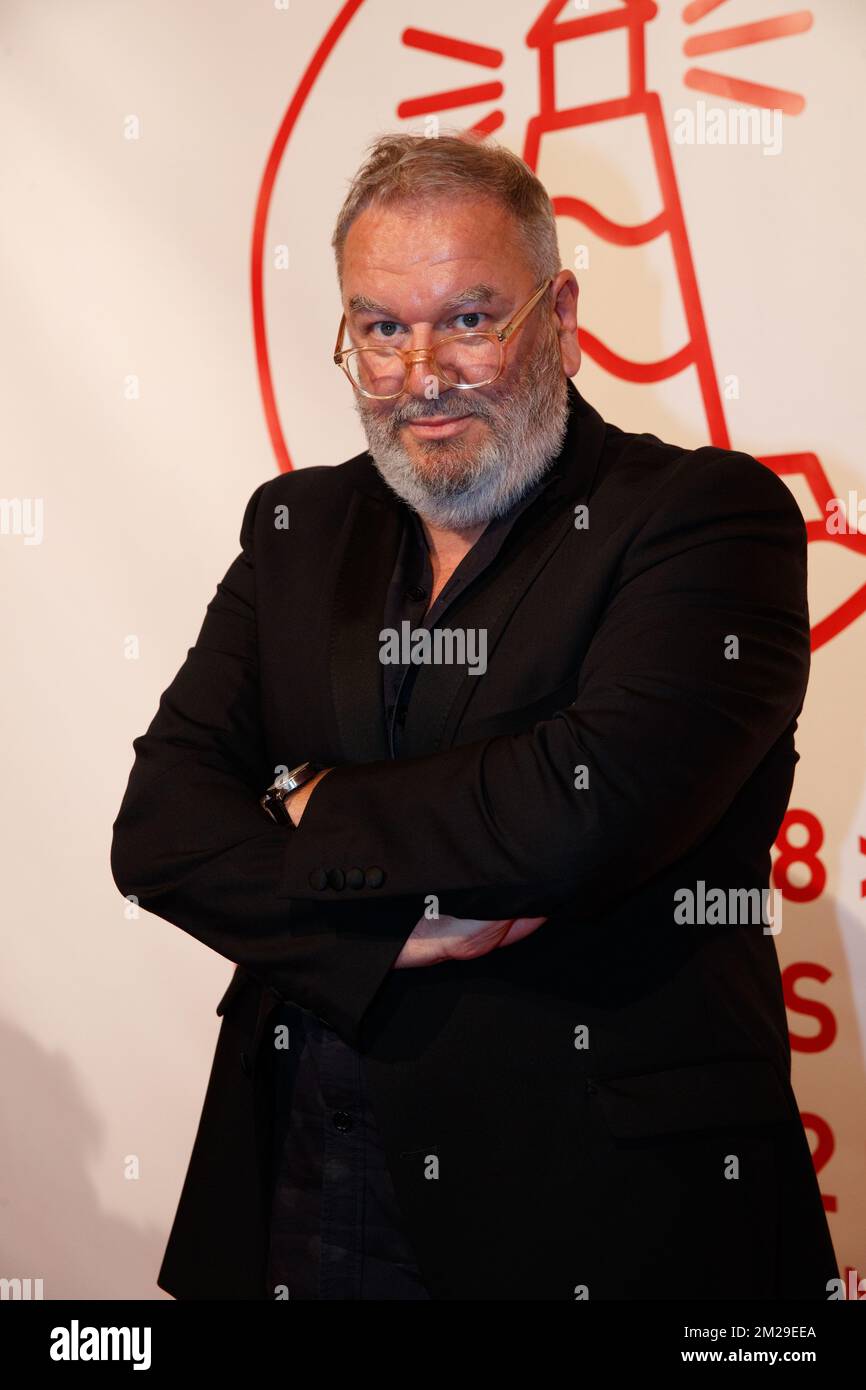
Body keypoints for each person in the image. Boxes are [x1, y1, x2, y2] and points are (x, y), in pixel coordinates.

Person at [110, 131, 838, 1300]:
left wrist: (316, 802)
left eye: (467, 318)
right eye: (382, 329)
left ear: (559, 312)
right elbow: (159, 830)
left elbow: (581, 809)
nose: (421, 373)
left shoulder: (704, 517)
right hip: (300, 1178)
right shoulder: (296, 524)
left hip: (603, 1208)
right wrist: (368, 932)